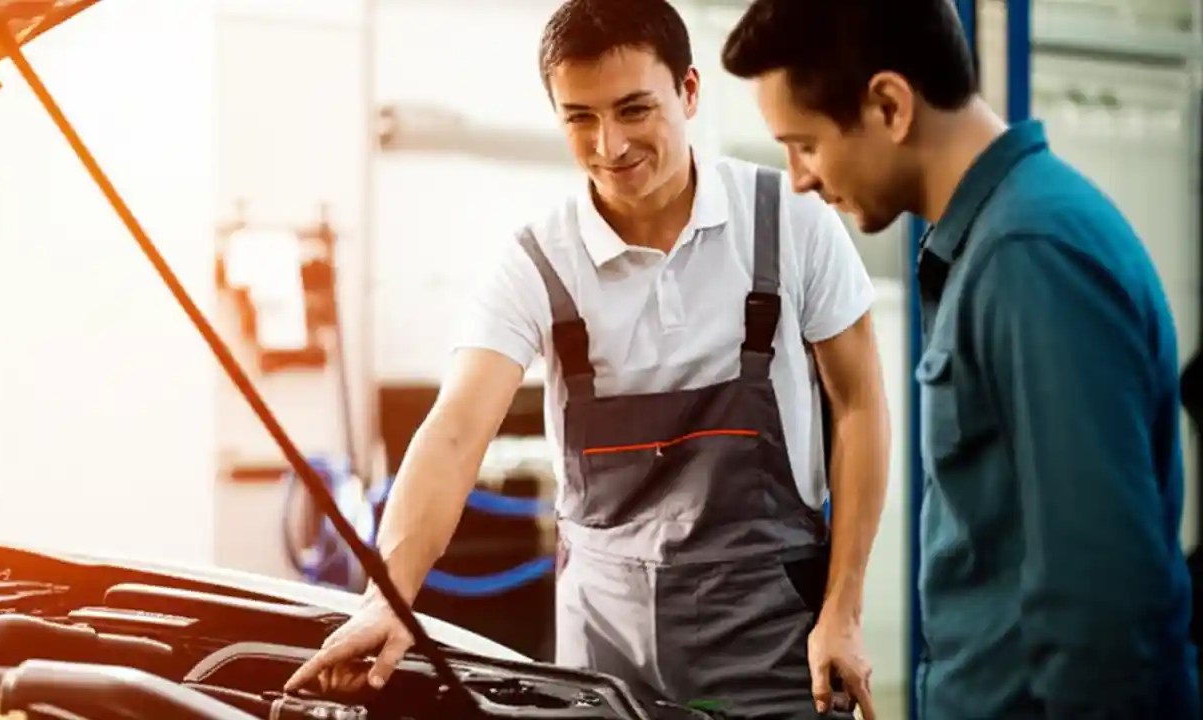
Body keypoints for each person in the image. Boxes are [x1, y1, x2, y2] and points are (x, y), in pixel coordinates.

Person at [285, 1, 891, 717]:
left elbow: (859, 408)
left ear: (689, 92)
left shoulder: (791, 223)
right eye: (580, 118)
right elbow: (453, 433)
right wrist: (386, 600)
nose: (610, 145)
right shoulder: (538, 263)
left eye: (635, 110)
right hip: (604, 664)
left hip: (774, 647)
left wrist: (844, 610)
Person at [720, 0, 1201, 718]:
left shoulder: (1030, 257)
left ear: (889, 105)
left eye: (807, 145)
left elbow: (1101, 612)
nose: (798, 178)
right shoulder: (990, 245)